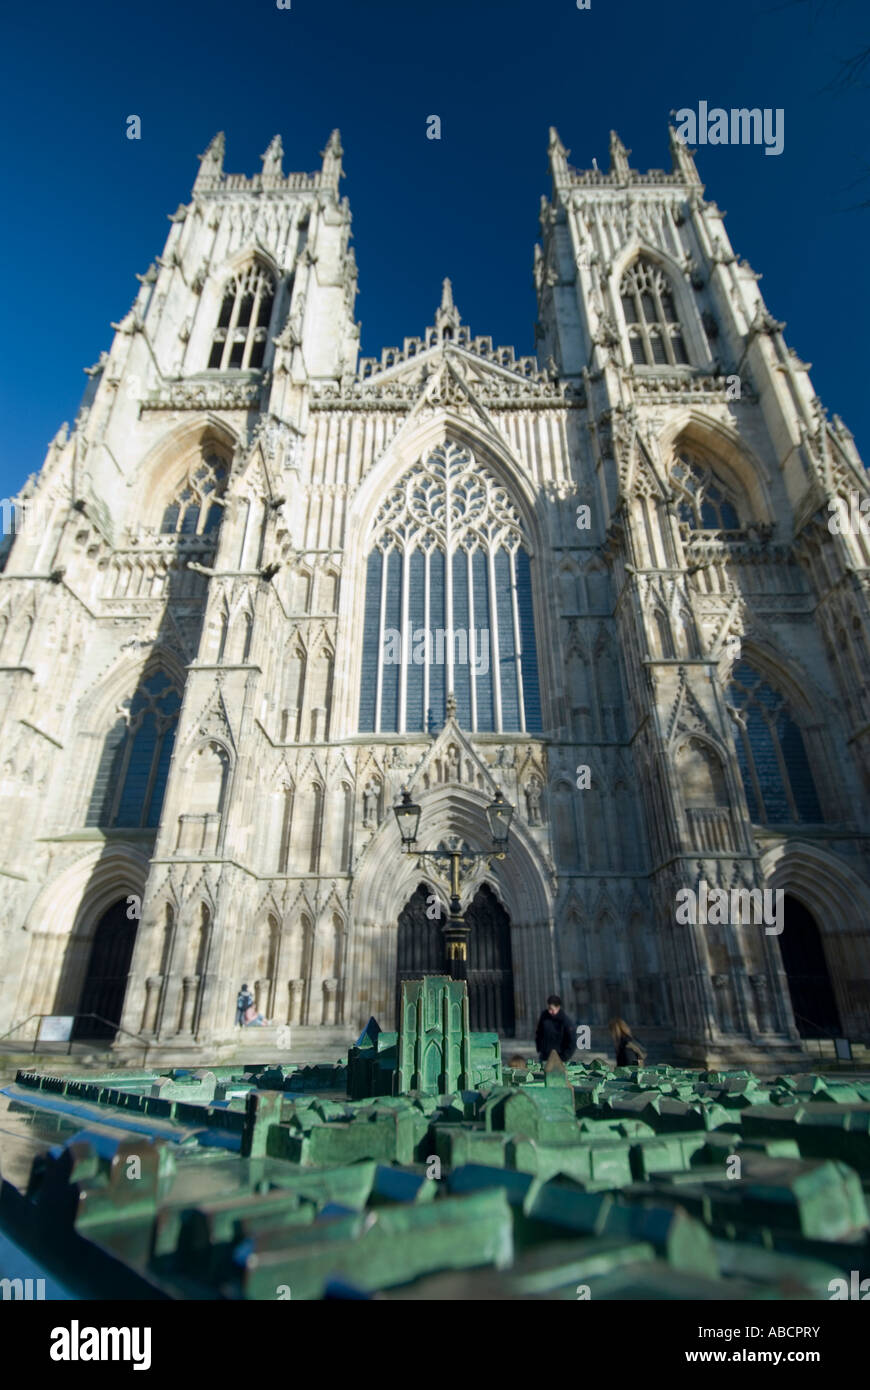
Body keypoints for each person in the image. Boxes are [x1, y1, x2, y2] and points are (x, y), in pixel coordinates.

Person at [535, 995, 575, 1064]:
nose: (550, 1011)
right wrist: (539, 1048)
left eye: (552, 1009)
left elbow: (572, 1040)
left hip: (559, 1057)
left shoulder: (565, 1021)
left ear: (558, 1007)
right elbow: (539, 1032)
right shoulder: (544, 1016)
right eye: (549, 1008)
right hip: (544, 1055)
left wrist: (565, 1057)